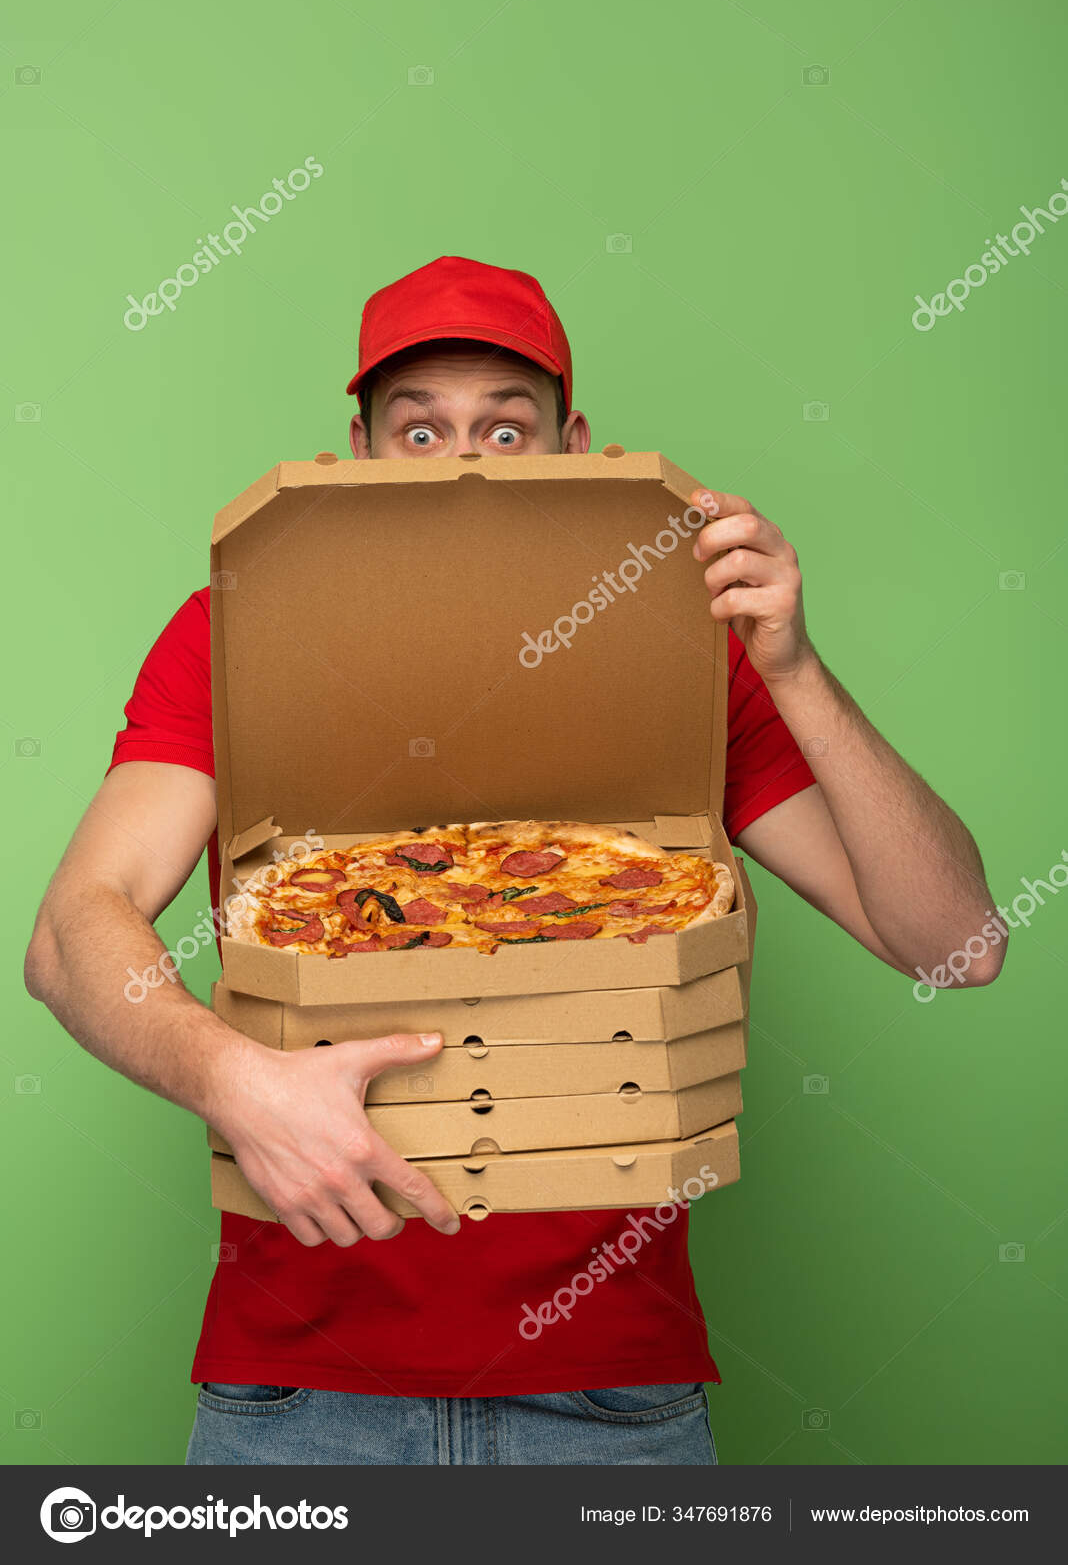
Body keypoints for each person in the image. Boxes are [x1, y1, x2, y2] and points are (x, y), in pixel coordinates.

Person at [24, 256, 1005, 1468]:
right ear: (363, 447)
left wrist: (793, 667)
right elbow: (75, 927)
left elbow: (957, 944)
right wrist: (234, 1079)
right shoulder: (240, 626)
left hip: (613, 1395)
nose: (464, 458)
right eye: (420, 426)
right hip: (298, 1391)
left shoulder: (693, 647)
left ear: (573, 442)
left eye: (505, 423)